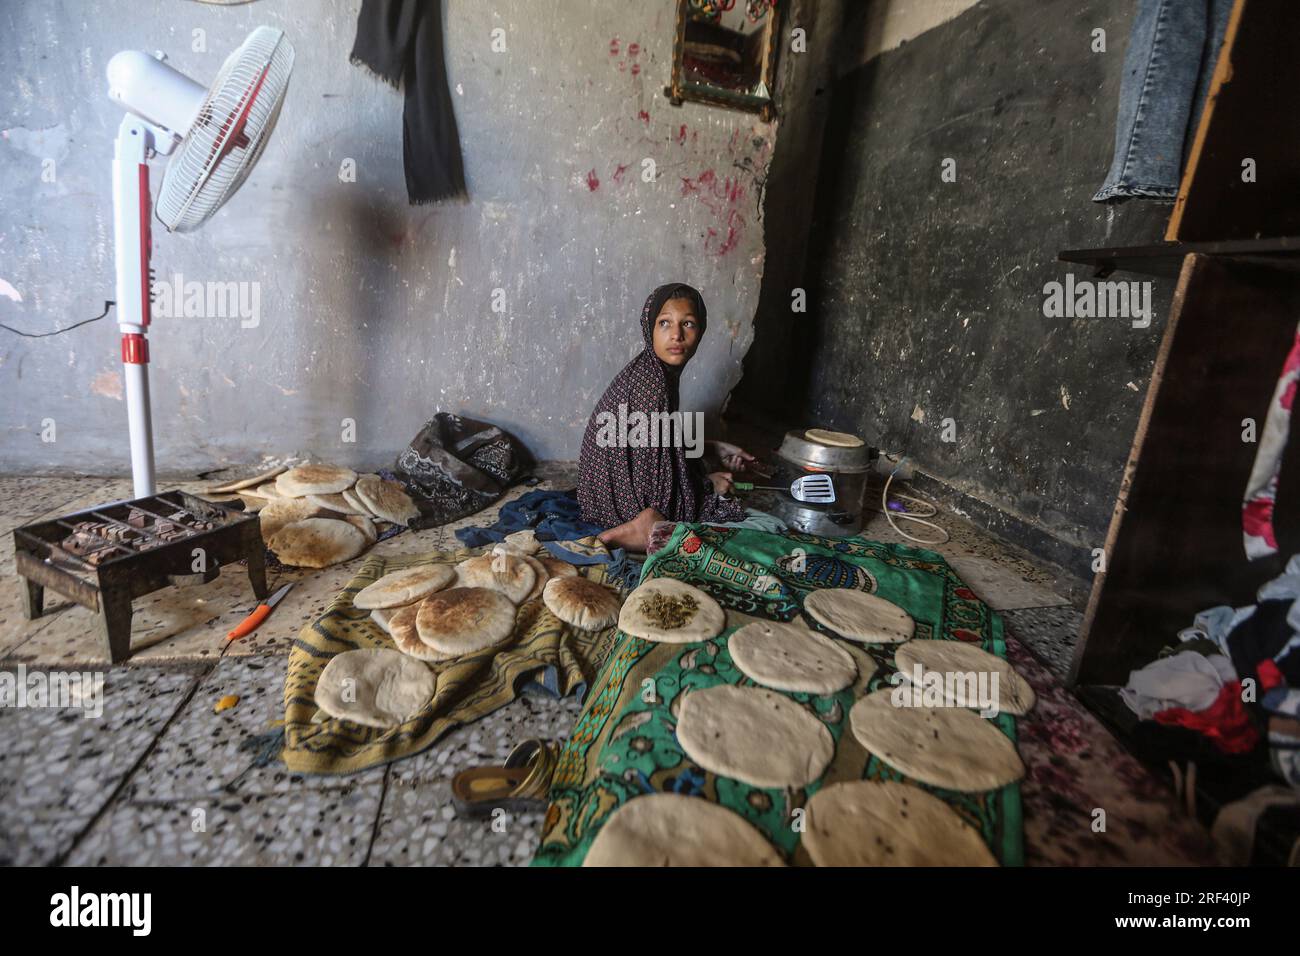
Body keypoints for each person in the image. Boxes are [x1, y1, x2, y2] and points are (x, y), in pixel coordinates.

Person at [577, 282, 758, 551]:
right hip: (614, 501)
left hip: (599, 493)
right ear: (649, 328)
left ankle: (645, 523)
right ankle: (643, 525)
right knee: (718, 515)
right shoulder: (652, 385)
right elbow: (654, 480)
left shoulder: (653, 370)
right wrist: (706, 484)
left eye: (688, 324)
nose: (676, 335)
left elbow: (659, 442)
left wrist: (712, 449)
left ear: (700, 331)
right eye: (664, 323)